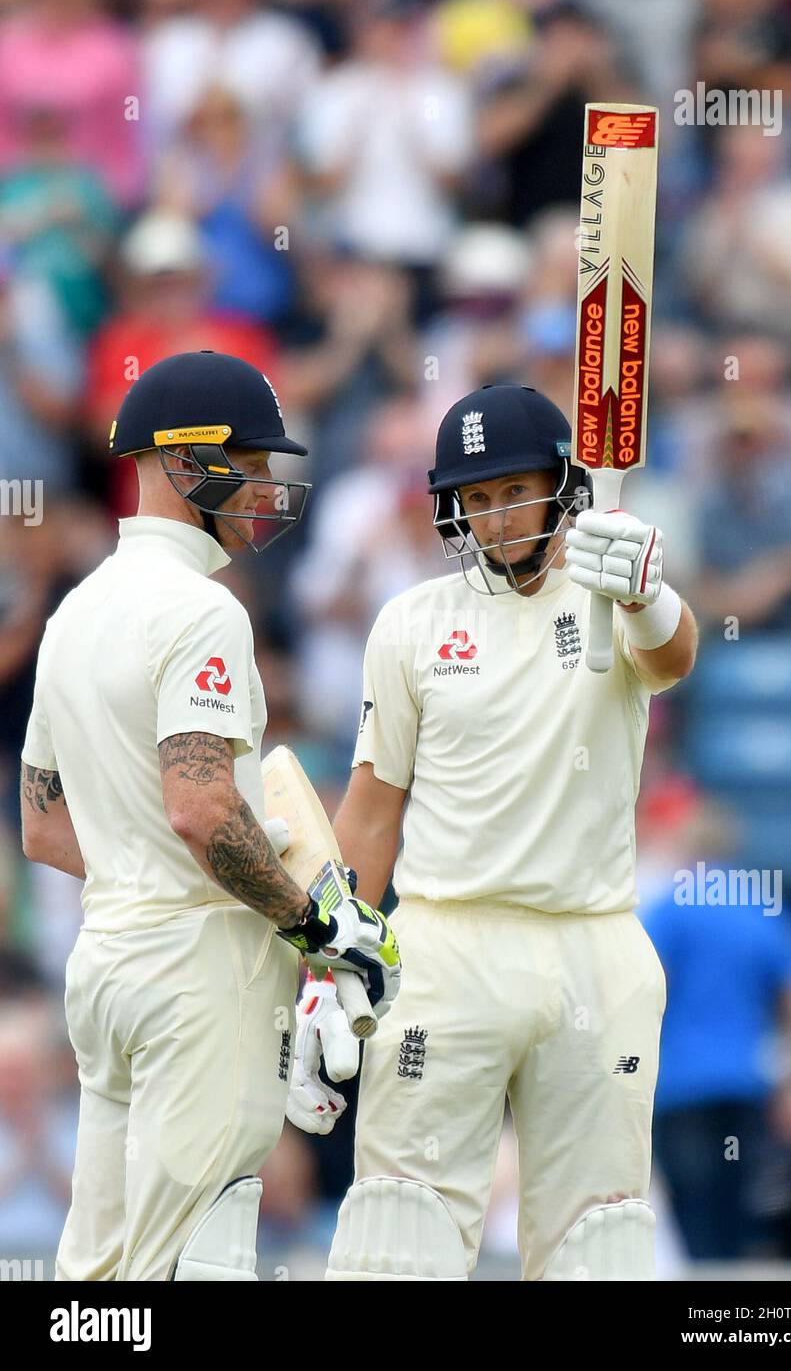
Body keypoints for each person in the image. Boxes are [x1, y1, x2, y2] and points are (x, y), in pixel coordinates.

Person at [19, 349, 399, 1281]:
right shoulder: (202, 611)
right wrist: (316, 925)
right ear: (187, 464)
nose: (267, 488)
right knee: (197, 1257)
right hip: (197, 976)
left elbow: (42, 825)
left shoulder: (74, 613)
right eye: (253, 464)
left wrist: (145, 866)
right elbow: (200, 813)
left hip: (105, 967)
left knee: (100, 1275)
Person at [319, 382, 698, 1281]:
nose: (495, 517)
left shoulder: (613, 595)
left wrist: (644, 594)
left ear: (564, 484)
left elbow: (673, 659)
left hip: (591, 944)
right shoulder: (413, 623)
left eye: (515, 490)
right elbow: (373, 806)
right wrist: (326, 956)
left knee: (596, 1242)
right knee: (399, 1230)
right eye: (476, 499)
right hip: (446, 944)